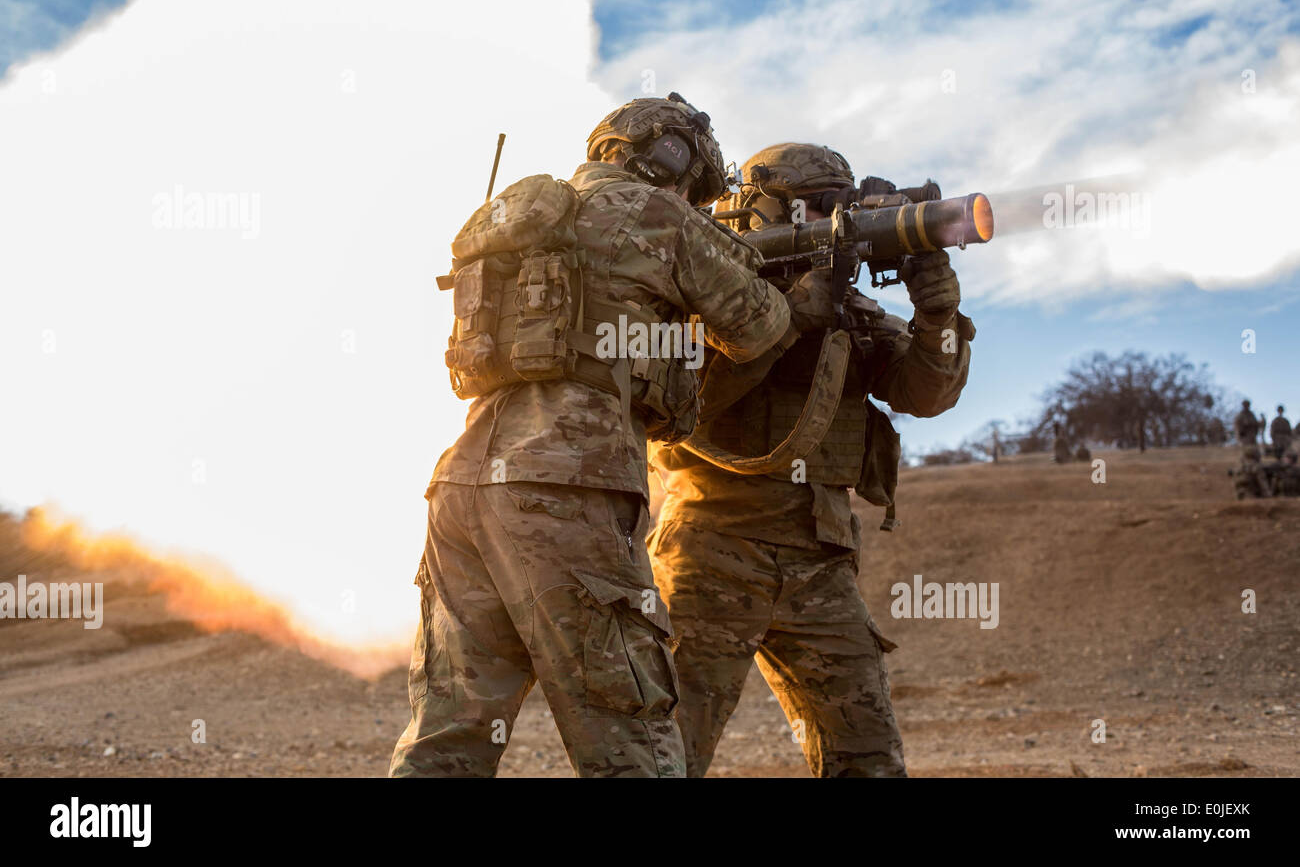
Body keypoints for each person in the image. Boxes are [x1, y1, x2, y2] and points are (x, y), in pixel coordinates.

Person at [390, 95, 798, 778]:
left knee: (446, 739)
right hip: (567, 488)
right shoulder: (660, 213)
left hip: (461, 485)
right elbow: (758, 325)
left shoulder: (524, 219)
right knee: (629, 732)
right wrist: (799, 294)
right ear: (676, 161)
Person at [647, 143, 973, 777]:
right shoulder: (704, 297)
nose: (834, 217)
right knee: (667, 755)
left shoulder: (849, 311)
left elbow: (925, 394)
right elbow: (682, 406)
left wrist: (938, 315)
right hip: (714, 548)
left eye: (839, 206)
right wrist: (785, 320)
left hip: (820, 560)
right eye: (817, 207)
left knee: (867, 756)